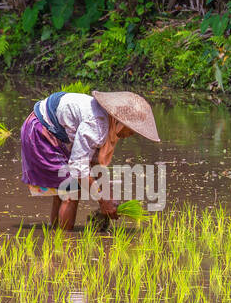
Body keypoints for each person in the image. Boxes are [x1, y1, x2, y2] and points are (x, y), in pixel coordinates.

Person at [19, 90, 161, 229]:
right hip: (40, 131)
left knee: (65, 188)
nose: (129, 135)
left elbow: (94, 163)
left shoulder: (105, 122)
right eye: (130, 130)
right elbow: (79, 168)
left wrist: (106, 194)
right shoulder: (96, 125)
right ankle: (64, 243)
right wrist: (103, 199)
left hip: (50, 128)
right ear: (120, 121)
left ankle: (56, 232)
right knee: (71, 190)